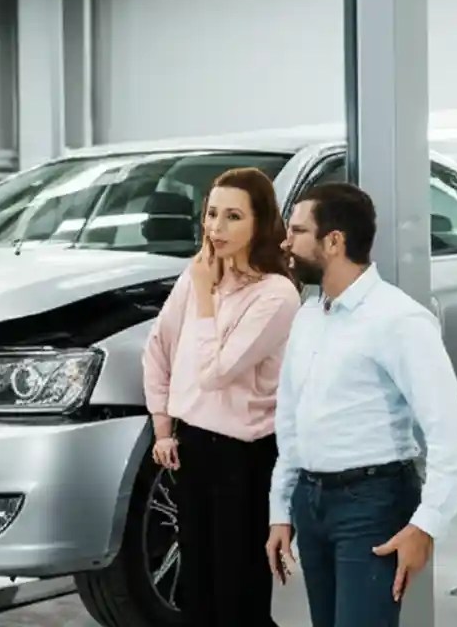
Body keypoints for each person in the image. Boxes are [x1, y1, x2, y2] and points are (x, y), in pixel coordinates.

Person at [264, 183, 457, 627]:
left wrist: (426, 525)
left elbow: (449, 433)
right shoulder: (307, 317)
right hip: (311, 499)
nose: (287, 242)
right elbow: (291, 421)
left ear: (334, 241)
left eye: (299, 231)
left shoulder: (399, 320)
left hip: (372, 504)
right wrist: (281, 509)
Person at [142, 167, 301, 627]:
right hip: (192, 447)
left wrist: (206, 299)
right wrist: (163, 428)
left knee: (239, 592)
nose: (215, 228)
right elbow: (159, 349)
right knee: (197, 590)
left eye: (233, 217)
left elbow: (215, 373)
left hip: (244, 457)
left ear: (260, 224)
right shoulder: (197, 276)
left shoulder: (276, 295)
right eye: (212, 214)